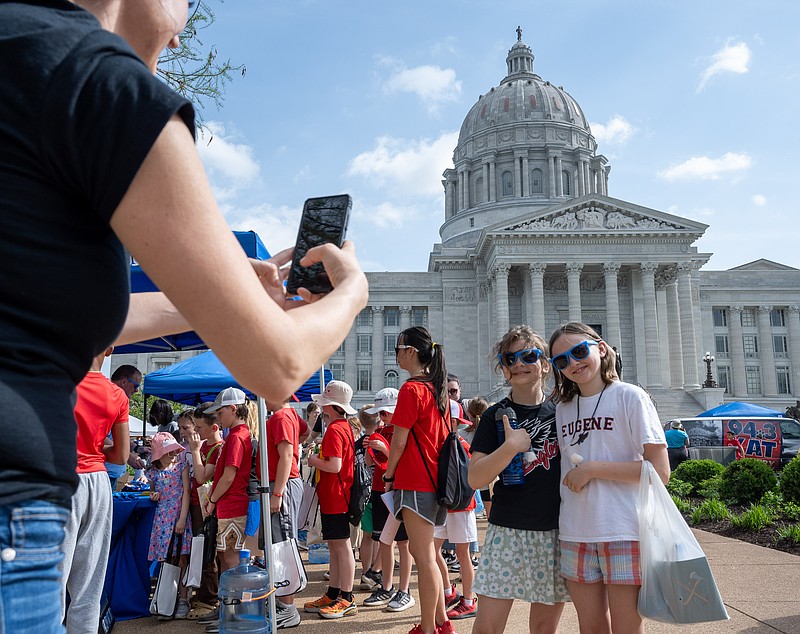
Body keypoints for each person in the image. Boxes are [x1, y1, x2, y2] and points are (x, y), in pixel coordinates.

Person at [0, 2, 367, 630]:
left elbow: (36, 309)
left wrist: (203, 303)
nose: (185, 24)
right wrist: (351, 292)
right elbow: (277, 366)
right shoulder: (97, 80)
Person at [548, 322, 669, 634]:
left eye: (578, 352)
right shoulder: (562, 409)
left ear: (600, 348)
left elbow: (660, 472)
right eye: (561, 361)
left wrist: (593, 469)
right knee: (590, 628)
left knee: (626, 628)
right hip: (575, 531)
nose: (572, 363)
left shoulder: (631, 397)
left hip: (623, 529)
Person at [468, 325, 568, 634]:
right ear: (503, 367)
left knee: (543, 628)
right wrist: (510, 446)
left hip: (554, 531)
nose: (519, 364)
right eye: (510, 359)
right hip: (507, 530)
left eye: (528, 356)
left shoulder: (563, 411)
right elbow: (475, 478)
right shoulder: (495, 415)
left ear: (545, 364)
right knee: (488, 626)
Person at [382, 327, 455, 634]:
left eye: (398, 348)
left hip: (415, 480)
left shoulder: (412, 390)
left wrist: (388, 474)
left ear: (411, 352)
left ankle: (430, 627)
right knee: (426, 554)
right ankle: (439, 621)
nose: (396, 354)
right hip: (435, 480)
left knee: (424, 557)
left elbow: (398, 443)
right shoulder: (436, 390)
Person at [61, 347, 129, 633]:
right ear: (110, 348)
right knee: (89, 583)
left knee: (53, 577)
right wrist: (99, 450)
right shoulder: (117, 395)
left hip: (61, 478)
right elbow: (122, 457)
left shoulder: (59, 382)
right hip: (98, 482)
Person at [304, 381, 358, 619]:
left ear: (334, 407)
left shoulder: (336, 429)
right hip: (335, 495)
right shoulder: (342, 426)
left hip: (336, 495)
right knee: (337, 547)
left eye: (325, 405)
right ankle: (336, 592)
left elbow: (334, 465)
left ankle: (346, 596)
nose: (322, 410)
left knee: (341, 547)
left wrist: (314, 460)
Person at [362, 388, 416, 614]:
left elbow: (405, 461)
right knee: (384, 541)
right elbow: (370, 463)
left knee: (402, 543)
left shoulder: (405, 432)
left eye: (385, 412)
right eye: (380, 413)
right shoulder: (382, 430)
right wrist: (370, 448)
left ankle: (404, 590)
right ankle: (387, 586)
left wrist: (383, 447)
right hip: (380, 489)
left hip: (398, 489)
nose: (382, 417)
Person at [264, 396, 310, 629]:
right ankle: (285, 603)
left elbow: (286, 455)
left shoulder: (282, 416)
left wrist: (278, 493)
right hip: (285, 483)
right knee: (281, 544)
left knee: (283, 544)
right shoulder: (288, 414)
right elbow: (305, 432)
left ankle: (288, 607)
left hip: (283, 484)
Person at [435, 401, 480, 621]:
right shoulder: (447, 442)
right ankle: (448, 591)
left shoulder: (460, 444)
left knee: (463, 556)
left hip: (460, 507)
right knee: (430, 552)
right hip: (444, 506)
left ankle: (469, 601)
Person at [205, 388, 253, 576]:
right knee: (228, 555)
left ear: (233, 409)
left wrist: (213, 499)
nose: (218, 417)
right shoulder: (240, 434)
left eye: (220, 412)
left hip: (231, 503)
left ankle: (234, 602)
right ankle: (231, 602)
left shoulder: (235, 436)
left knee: (230, 557)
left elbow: (228, 475)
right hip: (232, 502)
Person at [147, 431, 192, 620]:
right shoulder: (153, 472)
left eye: (174, 450)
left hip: (179, 517)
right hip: (162, 521)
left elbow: (186, 494)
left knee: (182, 558)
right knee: (166, 560)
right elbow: (153, 491)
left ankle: (183, 599)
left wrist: (182, 519)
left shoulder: (181, 466)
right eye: (169, 450)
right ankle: (167, 598)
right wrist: (153, 495)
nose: (173, 453)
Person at [188, 404, 224, 614]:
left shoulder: (217, 448)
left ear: (213, 427)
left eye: (199, 427)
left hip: (207, 506)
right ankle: (206, 594)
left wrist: (194, 452)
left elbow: (202, 477)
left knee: (208, 550)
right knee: (202, 548)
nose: (196, 432)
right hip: (197, 503)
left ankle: (210, 597)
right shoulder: (206, 445)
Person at [355, 404, 381, 592]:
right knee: (379, 537)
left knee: (367, 536)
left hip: (361, 493)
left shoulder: (357, 443)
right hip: (378, 491)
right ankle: (374, 571)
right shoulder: (378, 440)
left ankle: (366, 571)